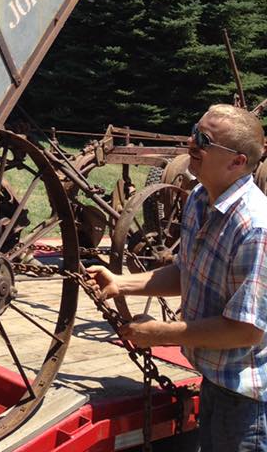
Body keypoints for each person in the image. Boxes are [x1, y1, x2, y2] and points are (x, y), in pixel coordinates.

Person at [88, 104, 267, 452]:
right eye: (193, 131)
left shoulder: (256, 228)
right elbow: (188, 270)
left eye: (204, 140)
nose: (191, 143)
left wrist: (159, 334)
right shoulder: (200, 198)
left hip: (249, 402)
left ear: (237, 162)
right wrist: (121, 283)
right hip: (217, 381)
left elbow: (245, 329)